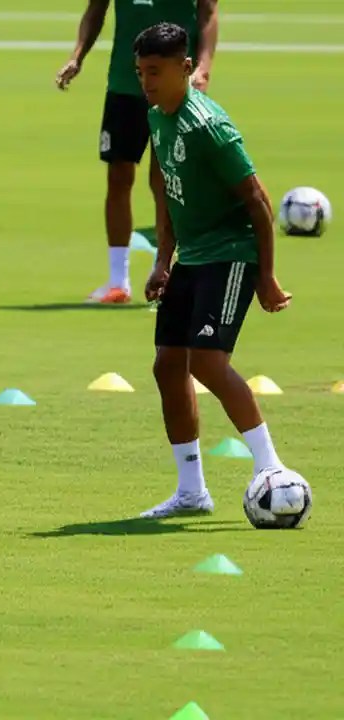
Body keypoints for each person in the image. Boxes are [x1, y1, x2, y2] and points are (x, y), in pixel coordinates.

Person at [134, 23, 291, 518]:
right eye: (140, 72)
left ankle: (270, 467)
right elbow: (163, 186)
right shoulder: (158, 118)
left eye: (155, 72)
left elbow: (259, 200)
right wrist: (163, 260)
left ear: (186, 67)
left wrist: (266, 275)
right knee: (166, 366)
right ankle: (191, 492)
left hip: (231, 253)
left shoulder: (208, 126)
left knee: (206, 361)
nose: (146, 81)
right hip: (192, 257)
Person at [56, 0, 217, 304]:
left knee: (166, 182)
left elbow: (208, 12)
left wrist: (204, 68)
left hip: (173, 87)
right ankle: (118, 282)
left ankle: (168, 274)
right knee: (118, 177)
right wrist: (77, 56)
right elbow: (96, 9)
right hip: (124, 84)